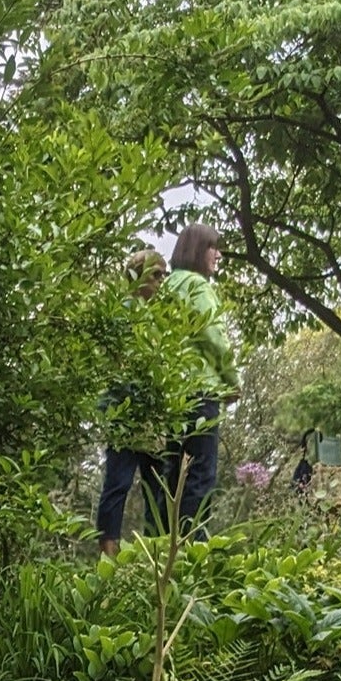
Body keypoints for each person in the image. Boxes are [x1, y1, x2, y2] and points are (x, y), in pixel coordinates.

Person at [160, 222, 239, 536]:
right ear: (197, 250)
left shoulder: (165, 288)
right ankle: (196, 549)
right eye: (213, 247)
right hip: (201, 390)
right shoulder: (198, 286)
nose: (218, 255)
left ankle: (171, 549)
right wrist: (231, 379)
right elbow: (213, 336)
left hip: (172, 394)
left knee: (175, 474)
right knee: (200, 474)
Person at [95, 248, 169, 558]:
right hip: (125, 417)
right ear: (136, 275)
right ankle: (108, 557)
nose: (161, 282)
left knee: (157, 487)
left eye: (164, 276)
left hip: (152, 418)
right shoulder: (121, 312)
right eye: (156, 275)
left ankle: (156, 557)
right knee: (118, 484)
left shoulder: (159, 319)